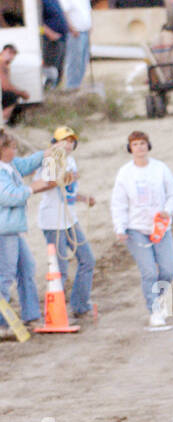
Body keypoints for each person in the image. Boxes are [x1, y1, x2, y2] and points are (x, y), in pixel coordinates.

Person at [111, 131, 173, 324]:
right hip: (136, 229)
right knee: (149, 271)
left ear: (148, 146)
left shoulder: (160, 169)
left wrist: (168, 210)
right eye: (135, 144)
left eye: (143, 143)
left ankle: (158, 297)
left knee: (168, 268)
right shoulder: (125, 173)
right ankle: (154, 309)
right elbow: (119, 202)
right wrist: (120, 227)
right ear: (130, 148)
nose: (139, 147)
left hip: (160, 227)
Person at [36, 126, 94, 322]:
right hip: (53, 220)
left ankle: (80, 305)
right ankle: (56, 313)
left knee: (87, 259)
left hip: (69, 217)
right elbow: (48, 183)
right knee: (59, 268)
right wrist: (67, 177)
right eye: (64, 140)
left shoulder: (71, 160)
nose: (68, 144)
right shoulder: (50, 159)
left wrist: (82, 197)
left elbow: (67, 192)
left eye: (71, 140)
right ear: (55, 142)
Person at [0, 131, 56, 331]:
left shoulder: (10, 166)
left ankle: (31, 315)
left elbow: (26, 164)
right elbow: (9, 196)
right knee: (4, 275)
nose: (15, 151)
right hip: (4, 231)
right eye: (12, 147)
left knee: (26, 268)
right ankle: (1, 322)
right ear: (3, 149)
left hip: (11, 229)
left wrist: (45, 154)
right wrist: (32, 188)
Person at [61, 0, 92, 91]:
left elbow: (88, 11)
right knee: (74, 60)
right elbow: (64, 13)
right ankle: (71, 85)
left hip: (85, 30)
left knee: (83, 59)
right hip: (75, 32)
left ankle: (78, 83)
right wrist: (71, 28)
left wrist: (90, 25)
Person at [40, 0, 68, 89]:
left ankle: (56, 89)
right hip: (50, 40)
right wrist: (49, 33)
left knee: (60, 68)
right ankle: (47, 89)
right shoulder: (41, 2)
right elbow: (37, 22)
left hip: (62, 38)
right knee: (51, 69)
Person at [1, 44, 30, 124]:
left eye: (13, 54)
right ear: (3, 51)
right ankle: (2, 122)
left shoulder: (5, 65)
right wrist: (21, 93)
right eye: (9, 53)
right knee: (12, 97)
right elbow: (5, 86)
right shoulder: (1, 64)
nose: (11, 56)